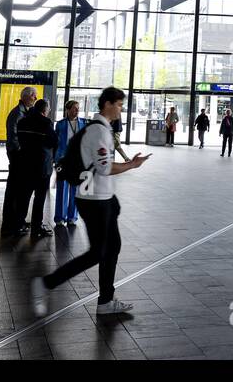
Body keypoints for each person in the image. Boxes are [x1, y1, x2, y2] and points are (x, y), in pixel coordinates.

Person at [32, 87, 149, 318]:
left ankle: (106, 300)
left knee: (112, 247)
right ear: (107, 104)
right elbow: (104, 168)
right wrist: (131, 165)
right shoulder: (99, 132)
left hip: (102, 198)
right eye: (119, 104)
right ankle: (45, 284)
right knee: (98, 252)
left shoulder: (100, 129)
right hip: (94, 200)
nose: (121, 109)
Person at [15, 98, 59, 238]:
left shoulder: (23, 121)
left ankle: (19, 224)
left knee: (24, 196)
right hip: (42, 166)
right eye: (49, 109)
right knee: (39, 198)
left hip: (25, 164)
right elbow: (53, 142)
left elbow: (20, 140)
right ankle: (36, 227)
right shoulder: (46, 123)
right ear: (45, 110)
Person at [1, 87, 37, 238]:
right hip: (18, 159)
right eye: (34, 96)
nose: (35, 99)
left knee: (17, 192)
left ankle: (16, 222)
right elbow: (14, 139)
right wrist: (23, 155)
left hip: (19, 158)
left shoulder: (23, 112)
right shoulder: (18, 113)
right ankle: (11, 225)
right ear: (27, 97)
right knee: (15, 193)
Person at [54, 100, 83, 228]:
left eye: (78, 108)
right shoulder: (60, 124)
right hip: (62, 160)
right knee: (61, 189)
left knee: (75, 190)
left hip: (78, 161)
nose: (77, 110)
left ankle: (72, 217)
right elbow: (56, 143)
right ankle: (60, 217)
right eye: (75, 108)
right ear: (68, 110)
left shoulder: (83, 123)